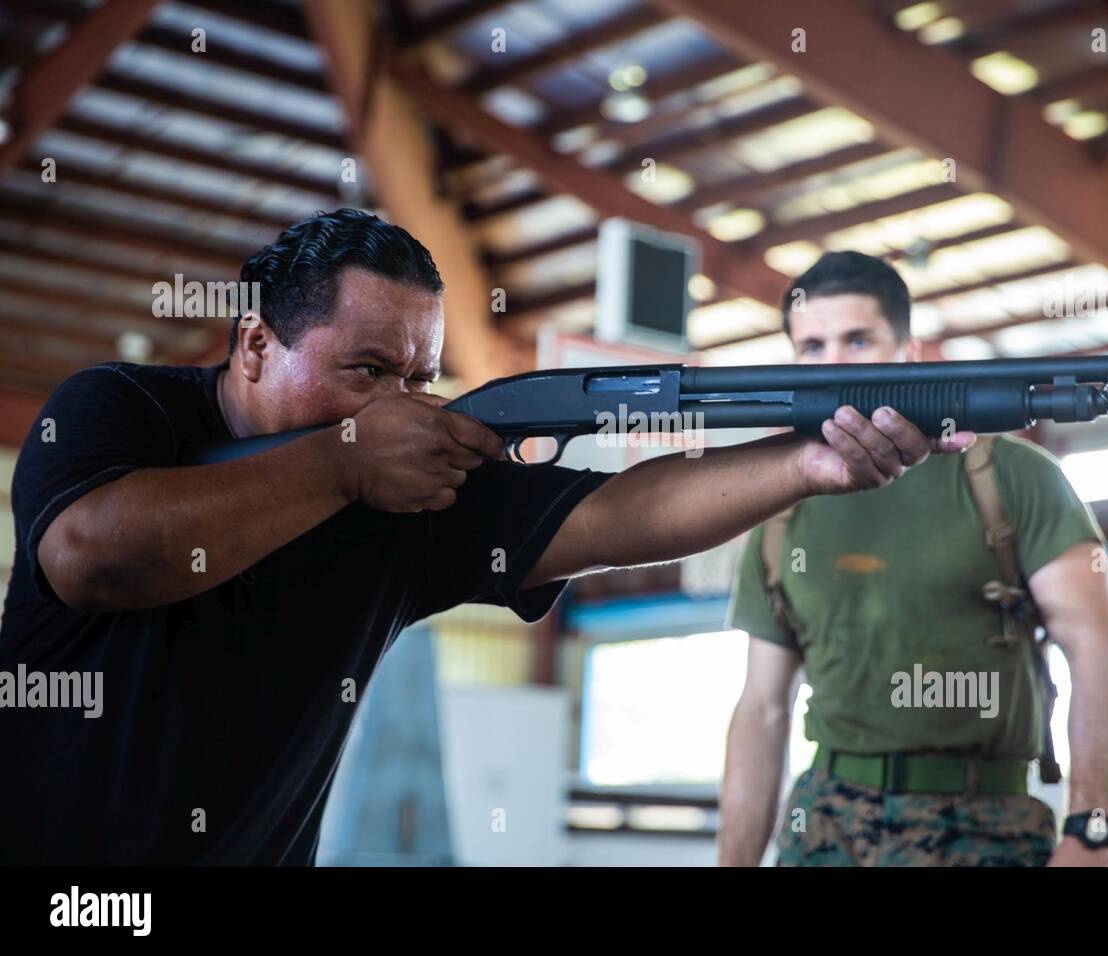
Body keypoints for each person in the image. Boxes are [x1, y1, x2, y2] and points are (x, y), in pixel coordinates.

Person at [0, 211, 966, 865]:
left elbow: (619, 515)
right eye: (367, 371)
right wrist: (340, 459)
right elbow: (90, 555)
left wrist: (807, 463)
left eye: (419, 377)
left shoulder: (408, 492)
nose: (403, 408)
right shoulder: (118, 408)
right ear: (255, 345)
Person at [719, 251, 1108, 867]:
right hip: (827, 825)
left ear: (909, 352)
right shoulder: (781, 507)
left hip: (986, 828)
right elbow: (762, 707)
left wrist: (1092, 831)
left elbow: (1099, 652)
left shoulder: (1012, 475)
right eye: (812, 346)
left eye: (857, 340)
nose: (833, 364)